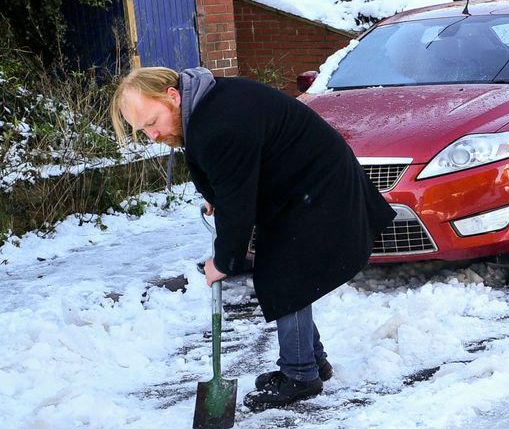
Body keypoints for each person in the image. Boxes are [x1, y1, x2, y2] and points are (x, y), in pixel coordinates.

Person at [111, 66, 395, 410]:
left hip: (319, 188)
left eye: (152, 122)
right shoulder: (206, 105)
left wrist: (224, 260)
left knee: (285, 276)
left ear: (172, 96)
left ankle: (300, 376)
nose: (152, 135)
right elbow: (233, 170)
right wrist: (218, 192)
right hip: (304, 186)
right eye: (143, 131)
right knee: (287, 275)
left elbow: (237, 204)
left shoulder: (216, 121)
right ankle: (310, 360)